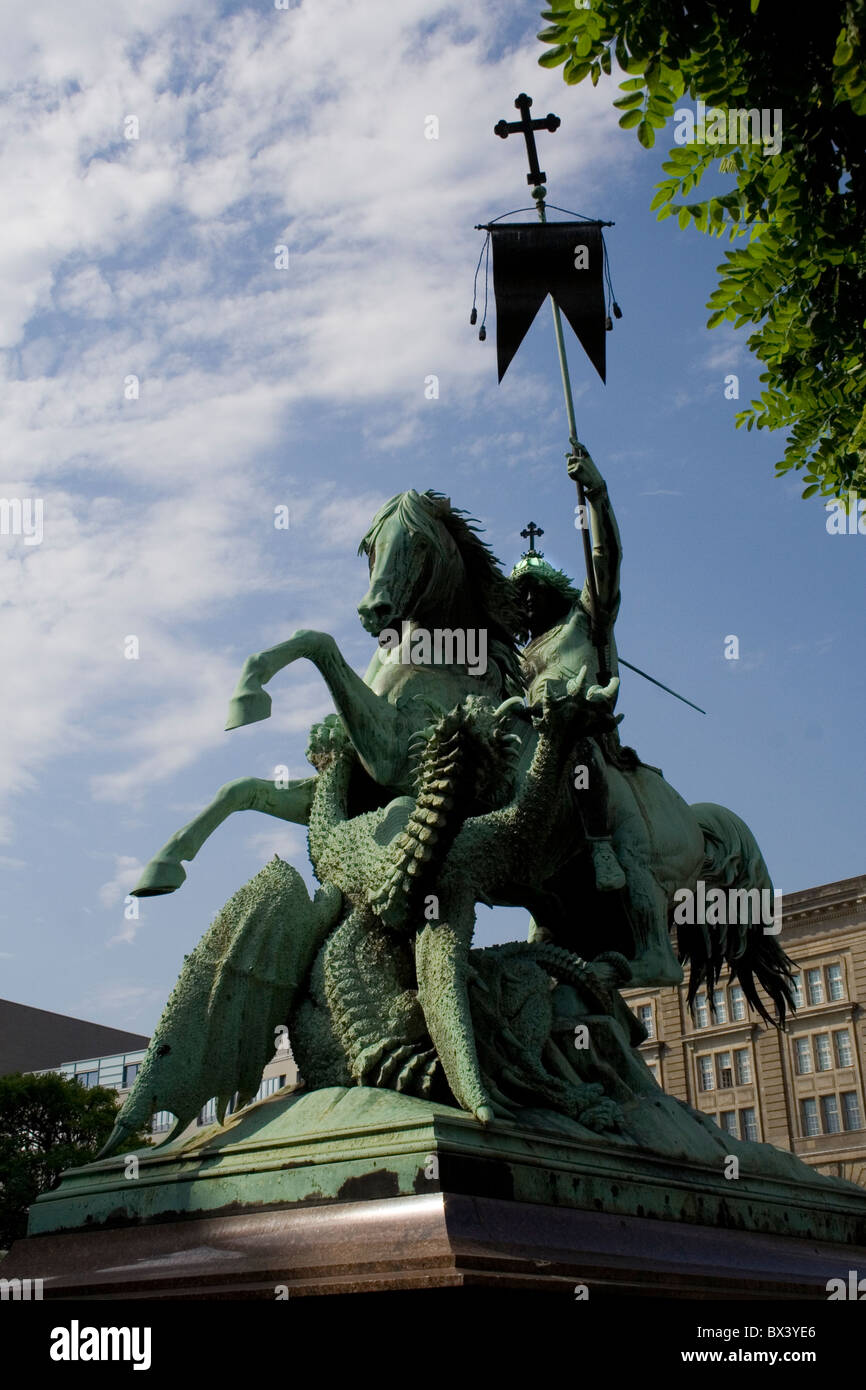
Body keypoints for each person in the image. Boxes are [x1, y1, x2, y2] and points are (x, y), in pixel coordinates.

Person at [510, 447, 629, 893]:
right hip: (534, 735)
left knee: (572, 740)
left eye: (533, 588)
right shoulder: (518, 658)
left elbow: (607, 559)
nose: (525, 599)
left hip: (583, 729)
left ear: (554, 591)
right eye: (517, 593)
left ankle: (600, 844)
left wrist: (596, 493)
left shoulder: (584, 616)